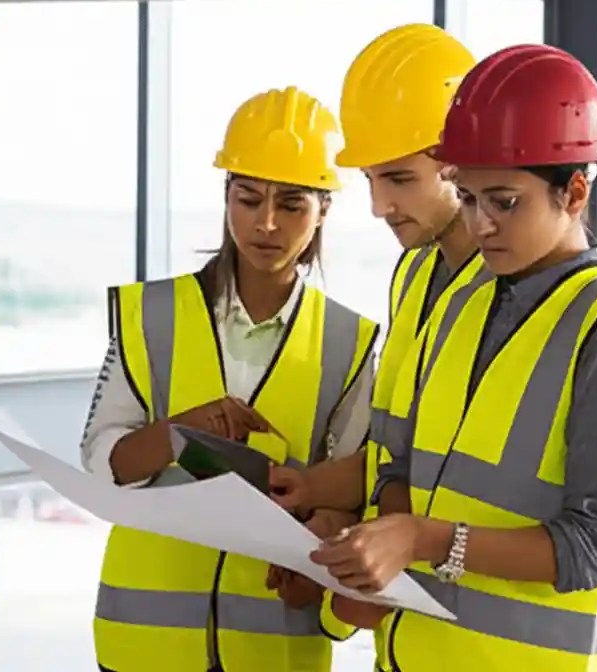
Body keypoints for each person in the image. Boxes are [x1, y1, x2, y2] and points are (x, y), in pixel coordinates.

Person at [304, 44, 597, 671]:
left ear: (576, 192)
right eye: (470, 198)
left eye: (505, 201)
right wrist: (370, 555)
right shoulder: (463, 302)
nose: (481, 225)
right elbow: (401, 462)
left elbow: (593, 549)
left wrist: (421, 540)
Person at [80, 86, 382, 672]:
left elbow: (357, 492)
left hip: (277, 641)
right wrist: (177, 434)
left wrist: (321, 561)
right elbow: (99, 467)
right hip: (146, 644)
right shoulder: (152, 317)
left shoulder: (351, 343)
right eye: (248, 199)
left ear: (324, 210)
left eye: (292, 204)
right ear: (226, 198)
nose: (266, 223)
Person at [265, 23, 483, 633]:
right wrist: (315, 496)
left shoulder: (511, 300)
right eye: (370, 180)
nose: (379, 206)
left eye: (399, 179)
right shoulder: (414, 274)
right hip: (411, 638)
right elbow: (401, 456)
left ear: (457, 165)